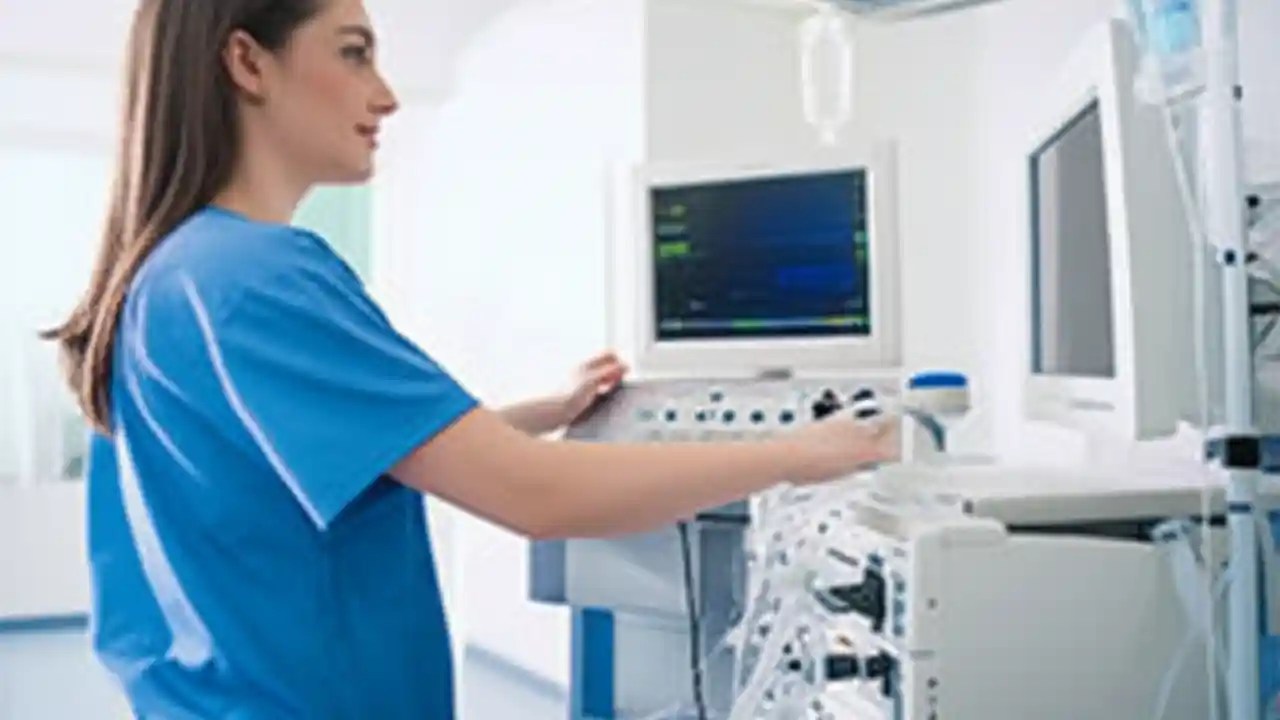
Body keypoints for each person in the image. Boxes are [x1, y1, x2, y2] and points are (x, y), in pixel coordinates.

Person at [43, 0, 900, 717]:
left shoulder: (173, 274)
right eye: (354, 54)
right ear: (247, 62)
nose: (385, 96)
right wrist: (814, 452)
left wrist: (543, 412)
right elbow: (536, 496)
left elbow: (333, 459)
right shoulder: (257, 275)